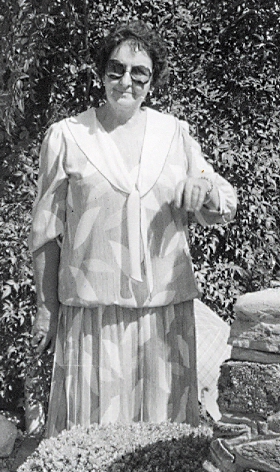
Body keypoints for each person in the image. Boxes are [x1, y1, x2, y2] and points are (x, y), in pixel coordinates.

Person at [30, 22, 236, 436]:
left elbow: (224, 201)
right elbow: (45, 233)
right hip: (93, 315)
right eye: (115, 69)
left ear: (152, 81)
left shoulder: (174, 135)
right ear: (100, 73)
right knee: (92, 433)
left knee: (163, 438)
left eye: (139, 73)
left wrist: (205, 190)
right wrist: (45, 307)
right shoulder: (68, 137)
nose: (126, 81)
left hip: (163, 315)